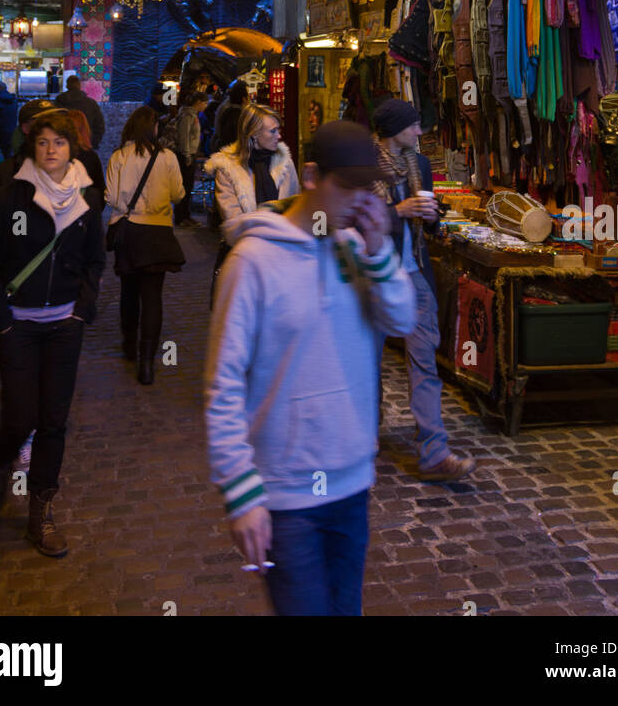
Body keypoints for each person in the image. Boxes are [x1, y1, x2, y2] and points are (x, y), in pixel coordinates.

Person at [204, 121, 416, 616]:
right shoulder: (253, 261)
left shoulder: (355, 248)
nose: (360, 202)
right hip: (286, 496)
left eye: (368, 189)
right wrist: (241, 491)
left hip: (352, 485)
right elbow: (223, 383)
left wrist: (381, 251)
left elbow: (402, 319)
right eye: (348, 187)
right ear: (313, 176)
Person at [0, 109, 104, 556]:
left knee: (53, 422)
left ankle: (41, 514)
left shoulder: (86, 196)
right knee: (20, 417)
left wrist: (81, 310)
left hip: (64, 327)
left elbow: (94, 259)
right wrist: (3, 322)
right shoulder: (12, 192)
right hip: (20, 325)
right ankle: (0, 462)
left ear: (74, 148)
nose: (50, 150)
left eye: (60, 143)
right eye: (43, 141)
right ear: (32, 145)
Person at [372, 97, 476, 482]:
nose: (420, 132)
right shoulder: (363, 166)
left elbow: (428, 225)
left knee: (424, 361)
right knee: (368, 361)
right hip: (373, 276)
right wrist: (399, 211)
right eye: (413, 125)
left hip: (414, 272)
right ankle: (366, 435)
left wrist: (433, 218)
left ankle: (434, 452)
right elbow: (347, 220)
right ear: (394, 129)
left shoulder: (418, 165)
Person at [105, 106, 186, 384]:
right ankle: (147, 364)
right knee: (153, 298)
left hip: (129, 234)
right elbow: (178, 194)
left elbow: (112, 199)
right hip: (158, 232)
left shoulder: (119, 157)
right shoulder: (168, 158)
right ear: (152, 129)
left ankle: (129, 344)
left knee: (129, 292)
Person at [205, 104, 299, 302]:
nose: (279, 136)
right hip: (246, 263)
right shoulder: (228, 168)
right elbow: (234, 222)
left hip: (282, 261)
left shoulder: (285, 162)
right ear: (253, 134)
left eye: (278, 130)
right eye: (273, 131)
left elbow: (296, 208)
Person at [0, 98, 54, 303]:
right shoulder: (6, 177)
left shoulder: (74, 175)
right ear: (26, 129)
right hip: (16, 296)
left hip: (62, 305)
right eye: (43, 123)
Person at [163, 91, 209, 224]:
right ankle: (181, 217)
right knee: (184, 187)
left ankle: (186, 216)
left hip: (189, 154)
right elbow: (184, 137)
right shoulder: (188, 115)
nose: (206, 106)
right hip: (184, 156)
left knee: (188, 187)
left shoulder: (192, 114)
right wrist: (187, 155)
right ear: (198, 102)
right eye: (205, 103)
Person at [66, 109, 106, 210]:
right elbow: (100, 191)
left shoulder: (59, 155)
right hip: (85, 212)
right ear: (85, 129)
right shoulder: (91, 157)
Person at [54, 75, 105, 150]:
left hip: (63, 146)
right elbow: (99, 126)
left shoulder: (58, 102)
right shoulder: (91, 103)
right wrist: (92, 143)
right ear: (79, 85)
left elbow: (54, 124)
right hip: (85, 145)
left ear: (67, 85)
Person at [214, 80, 250, 151]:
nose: (249, 99)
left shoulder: (228, 105)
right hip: (229, 150)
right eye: (248, 95)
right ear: (243, 98)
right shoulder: (234, 113)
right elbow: (233, 138)